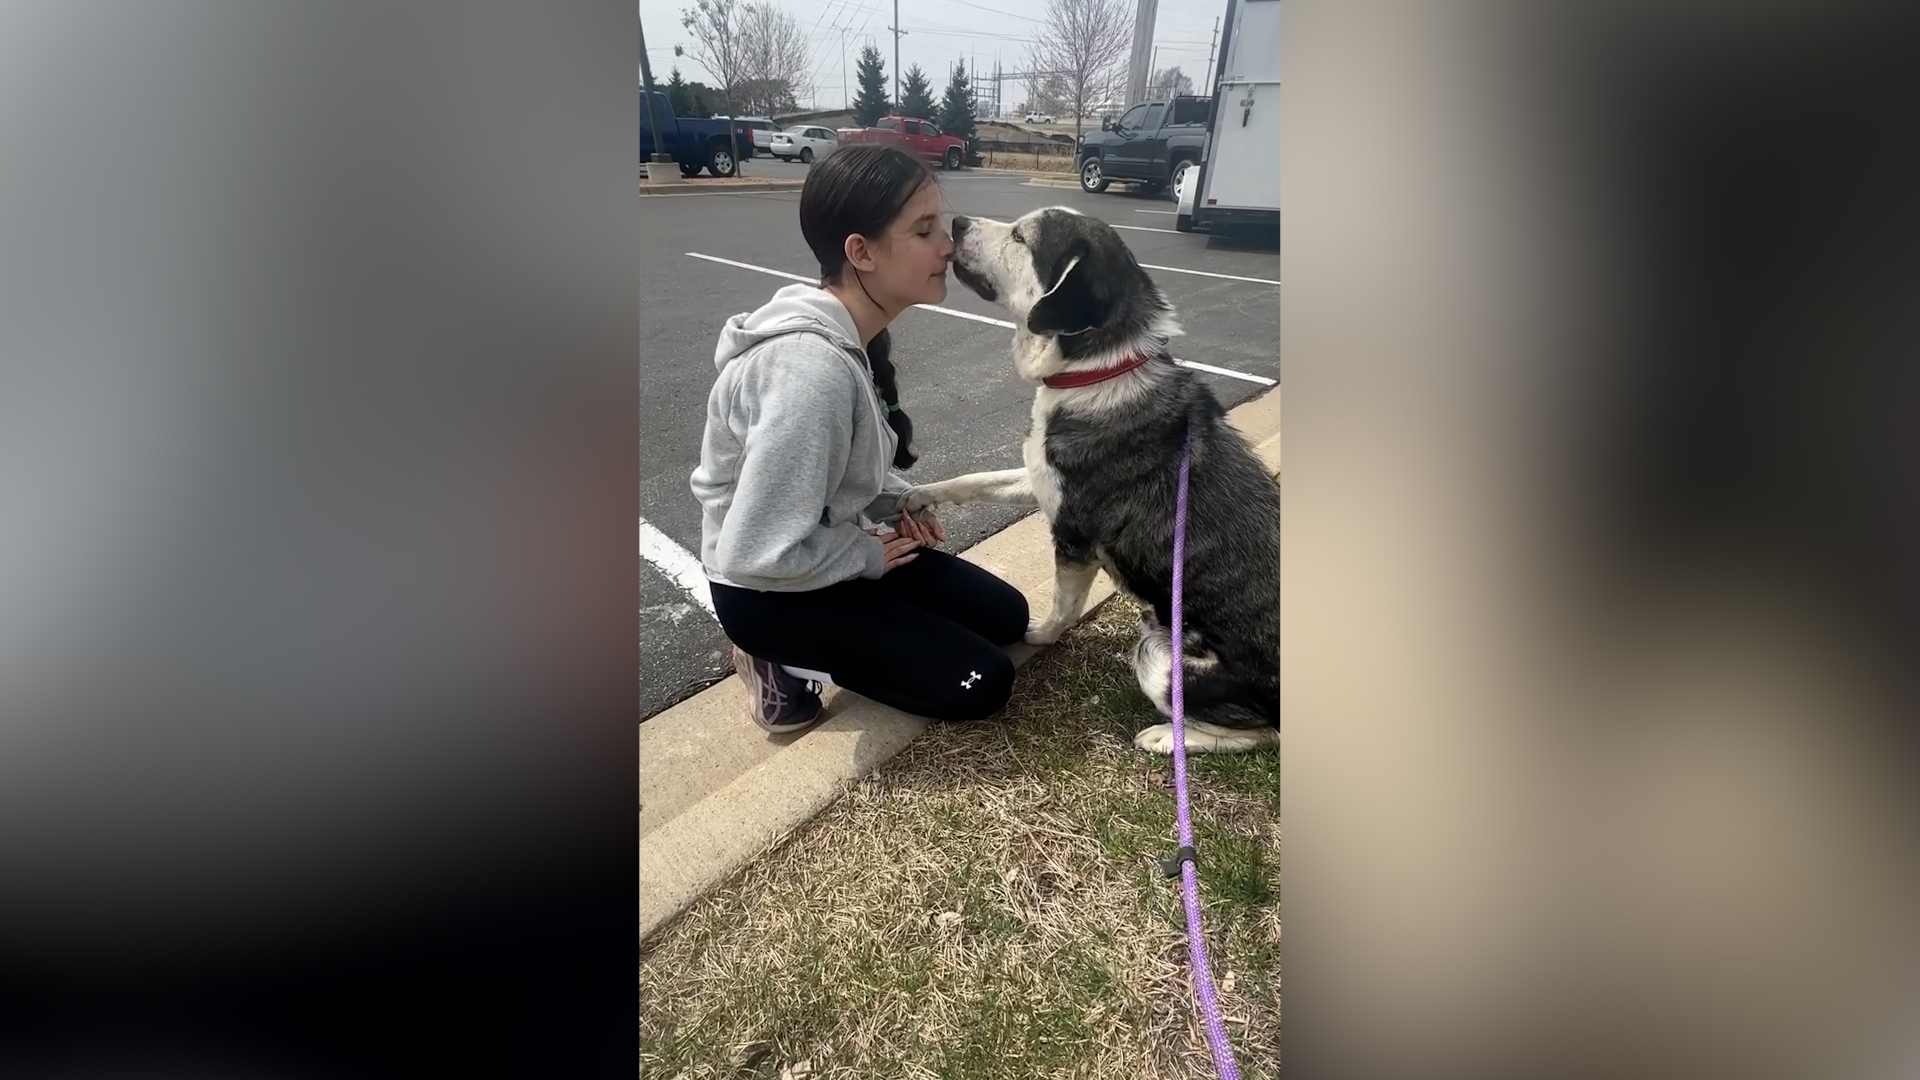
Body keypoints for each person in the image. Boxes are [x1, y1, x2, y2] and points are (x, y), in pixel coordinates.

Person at [689, 144, 1030, 734]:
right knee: (983, 680)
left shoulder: (856, 336)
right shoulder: (808, 372)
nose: (947, 246)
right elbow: (755, 550)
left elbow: (844, 463)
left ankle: (868, 621)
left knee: (1007, 616)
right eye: (924, 231)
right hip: (768, 590)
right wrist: (868, 557)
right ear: (860, 252)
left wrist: (898, 505)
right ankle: (776, 660)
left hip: (826, 548)